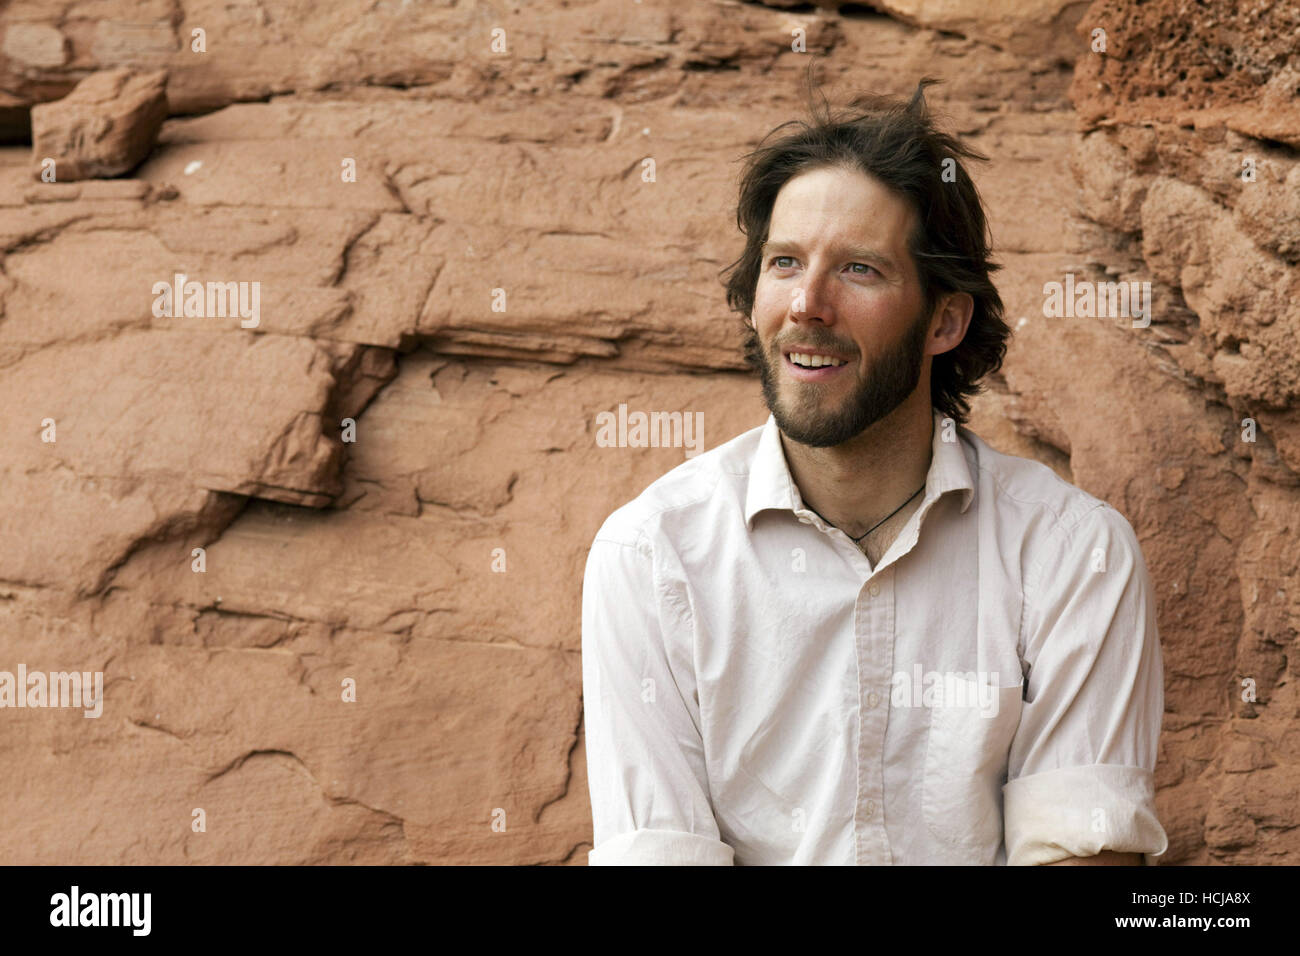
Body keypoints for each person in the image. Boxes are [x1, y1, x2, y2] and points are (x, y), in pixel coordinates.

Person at [581, 76, 1168, 865]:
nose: (807, 304)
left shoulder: (1072, 553)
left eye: (859, 269)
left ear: (944, 320)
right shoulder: (652, 556)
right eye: (784, 262)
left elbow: (1083, 855)